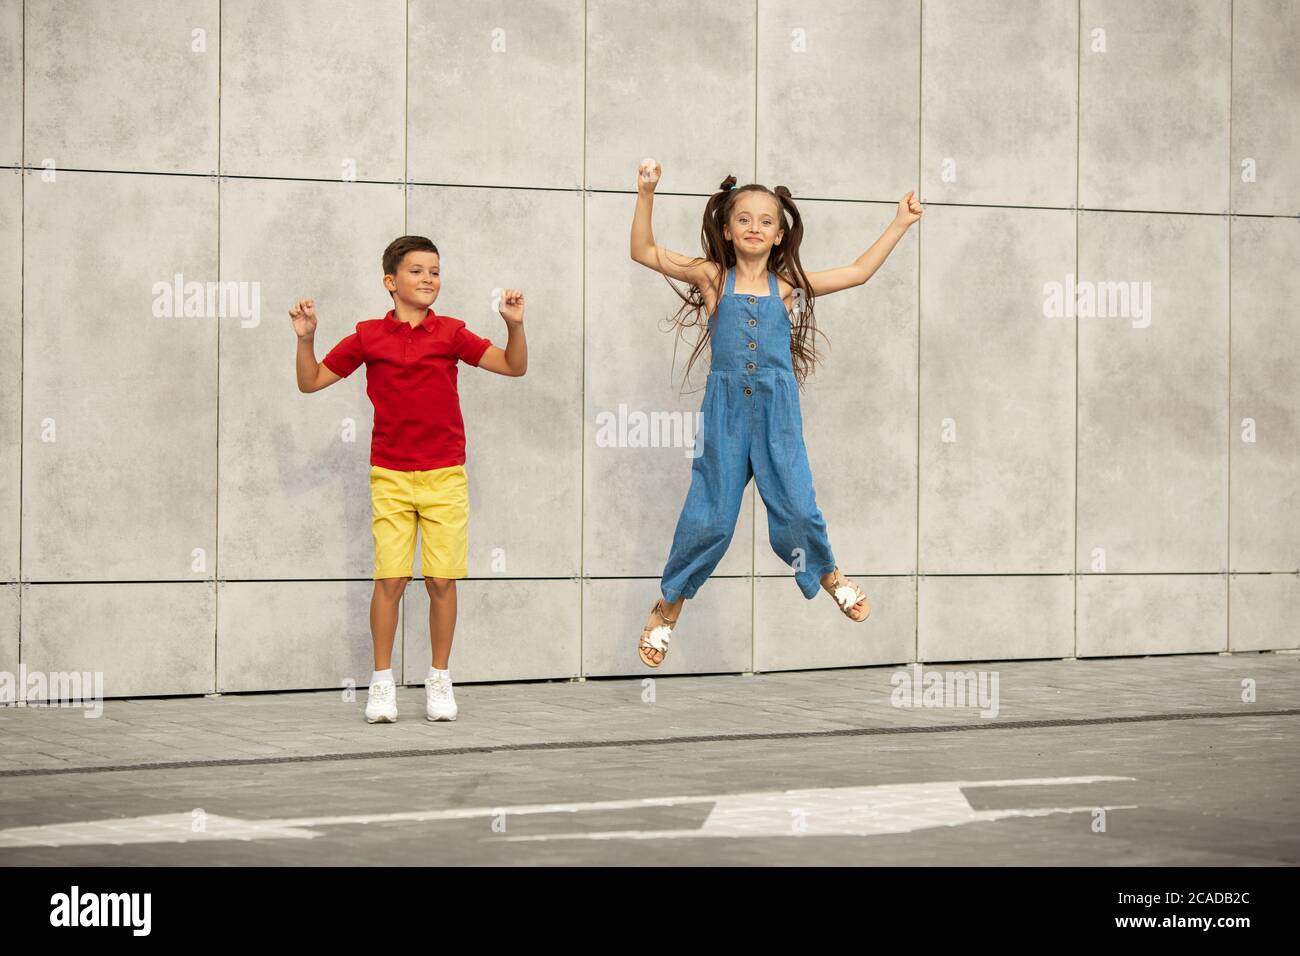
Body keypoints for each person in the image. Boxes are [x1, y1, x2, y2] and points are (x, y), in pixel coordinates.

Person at [630, 160, 922, 667]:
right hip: (725, 411)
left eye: (766, 221)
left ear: (780, 234)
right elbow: (642, 251)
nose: (754, 228)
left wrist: (899, 221)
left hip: (776, 409)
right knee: (710, 517)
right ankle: (668, 605)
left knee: (797, 505)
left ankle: (828, 573)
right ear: (727, 227)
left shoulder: (786, 284)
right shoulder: (709, 277)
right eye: (744, 219)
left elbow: (857, 272)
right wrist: (646, 193)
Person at [289, 235, 529, 719]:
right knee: (391, 579)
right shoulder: (367, 336)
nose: (428, 280)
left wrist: (514, 327)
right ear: (390, 282)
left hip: (444, 474)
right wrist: (305, 336)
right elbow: (310, 381)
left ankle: (439, 678)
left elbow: (513, 366)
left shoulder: (453, 333)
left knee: (442, 581)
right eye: (417, 271)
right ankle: (381, 682)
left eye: (435, 271)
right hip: (391, 474)